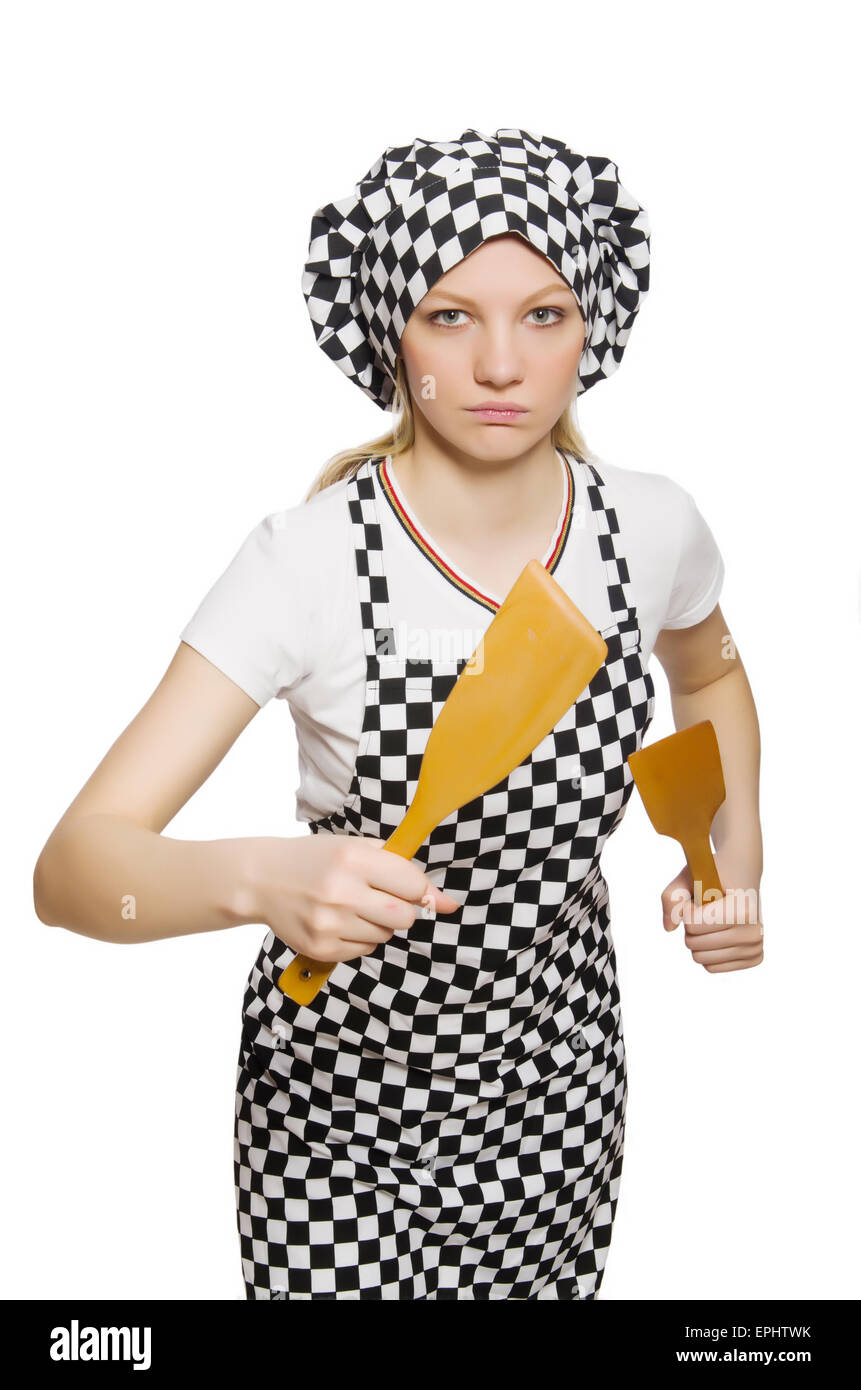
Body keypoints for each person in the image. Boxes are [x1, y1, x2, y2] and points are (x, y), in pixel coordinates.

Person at [33, 127, 764, 1301]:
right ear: (392, 334)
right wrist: (264, 880)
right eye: (449, 315)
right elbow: (73, 873)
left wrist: (733, 856)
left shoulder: (652, 529)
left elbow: (712, 674)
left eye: (544, 314)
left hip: (557, 1082)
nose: (499, 365)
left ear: (594, 331)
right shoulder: (305, 563)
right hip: (340, 1109)